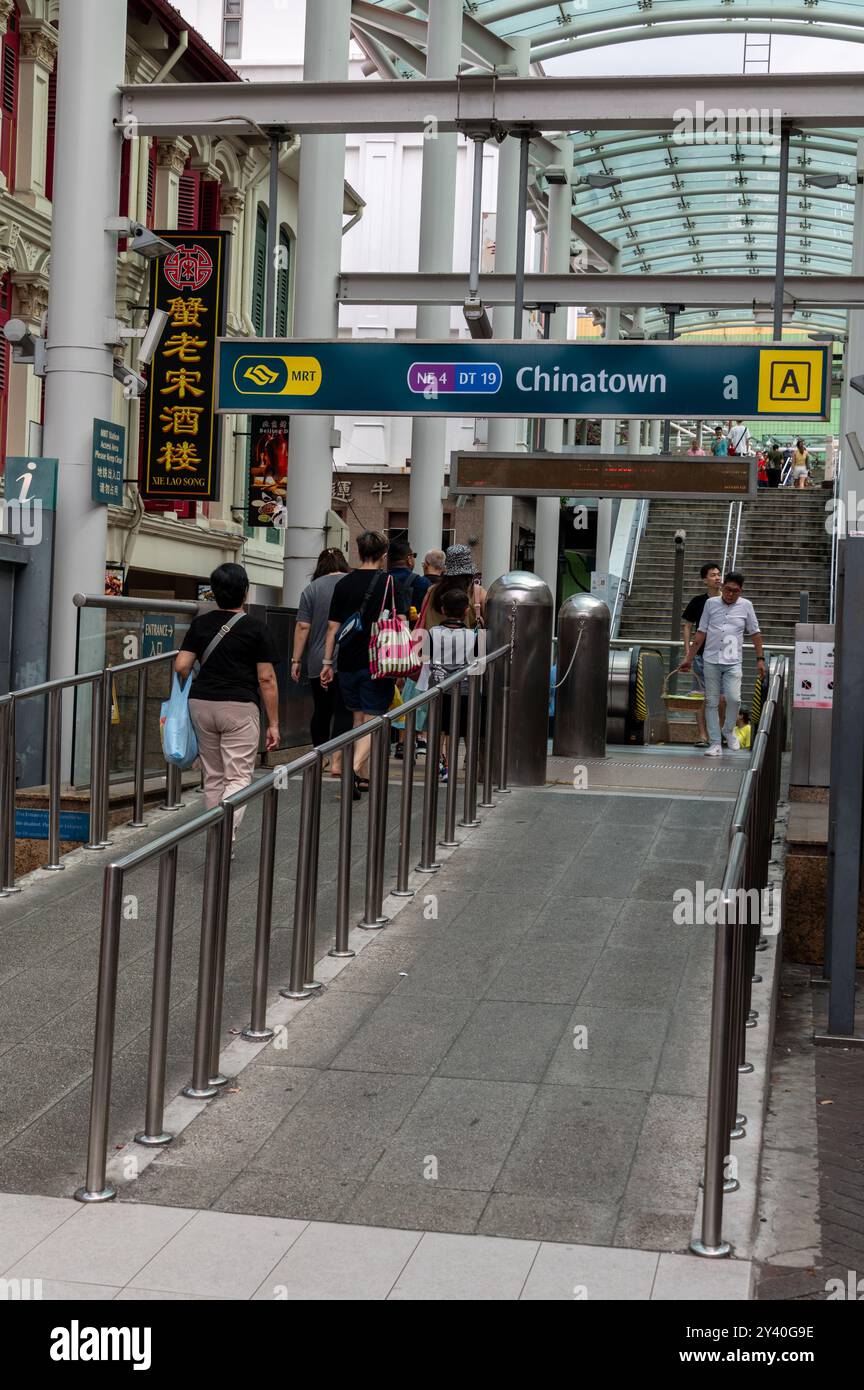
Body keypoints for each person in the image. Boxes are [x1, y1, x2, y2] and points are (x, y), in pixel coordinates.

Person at [176, 563, 281, 836]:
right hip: (239, 707)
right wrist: (274, 724)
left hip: (201, 704)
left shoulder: (200, 623)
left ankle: (218, 836)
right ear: (245, 592)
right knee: (238, 777)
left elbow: (181, 666)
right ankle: (224, 835)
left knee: (213, 777)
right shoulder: (256, 628)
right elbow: (266, 679)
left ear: (214, 592)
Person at [320, 530, 406, 791]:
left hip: (347, 661)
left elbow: (332, 628)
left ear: (358, 552)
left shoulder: (343, 584)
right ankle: (354, 768)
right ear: (384, 554)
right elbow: (401, 622)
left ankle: (360, 774)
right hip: (378, 661)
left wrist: (326, 663)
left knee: (358, 718)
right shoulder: (391, 584)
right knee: (374, 718)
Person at [680, 570, 765, 757]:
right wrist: (689, 658)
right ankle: (715, 742)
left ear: (741, 591)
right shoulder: (710, 604)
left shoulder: (746, 606)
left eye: (735, 591)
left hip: (733, 661)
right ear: (723, 586)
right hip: (710, 659)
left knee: (733, 698)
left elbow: (755, 634)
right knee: (711, 701)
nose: (731, 594)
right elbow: (701, 632)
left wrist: (760, 659)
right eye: (727, 589)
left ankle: (728, 730)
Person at [292, 547, 352, 780]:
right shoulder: (352, 583)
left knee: (322, 710)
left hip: (317, 659)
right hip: (346, 656)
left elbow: (302, 626)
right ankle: (338, 760)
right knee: (344, 710)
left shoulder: (311, 589)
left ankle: (320, 756)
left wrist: (296, 659)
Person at [419, 587, 481, 783]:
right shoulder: (476, 636)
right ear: (466, 611)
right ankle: (469, 765)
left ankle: (440, 764)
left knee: (438, 729)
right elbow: (479, 669)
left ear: (443, 610)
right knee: (466, 730)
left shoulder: (431, 633)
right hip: (466, 692)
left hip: (438, 690)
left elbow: (426, 664)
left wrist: (423, 690)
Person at [680, 562, 723, 747]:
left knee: (722, 697)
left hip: (723, 656)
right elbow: (687, 624)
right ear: (705, 580)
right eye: (713, 575)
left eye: (719, 574)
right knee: (700, 696)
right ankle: (702, 735)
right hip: (701, 655)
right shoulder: (698, 601)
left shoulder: (728, 600)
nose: (717, 578)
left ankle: (719, 734)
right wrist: (688, 650)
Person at [421, 544, 486, 631]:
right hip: (466, 644)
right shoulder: (478, 593)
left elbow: (423, 619)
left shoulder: (432, 591)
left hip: (433, 643)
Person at [387, 537, 427, 615]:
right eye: (414, 555)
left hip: (385, 626)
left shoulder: (382, 580)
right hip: (413, 626)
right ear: (409, 559)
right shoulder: (422, 582)